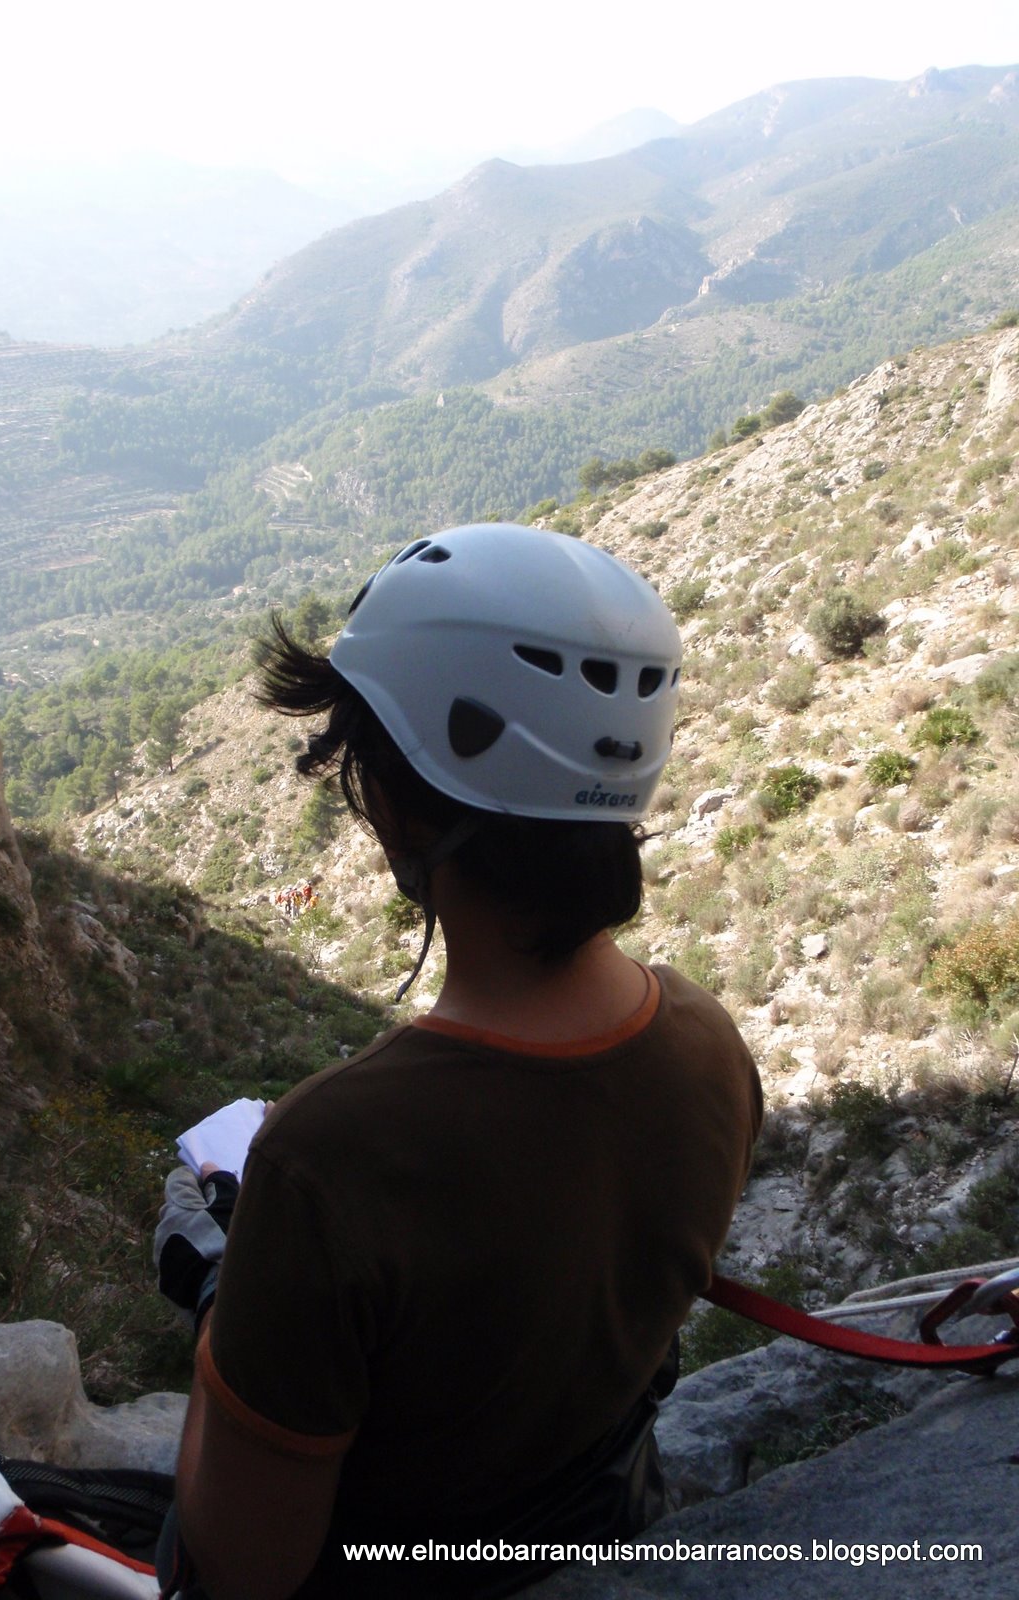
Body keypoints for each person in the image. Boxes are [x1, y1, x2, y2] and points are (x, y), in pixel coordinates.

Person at [156, 524, 763, 1599]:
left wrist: (222, 1292)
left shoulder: (326, 1160)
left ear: (390, 799)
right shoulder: (707, 1040)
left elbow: (243, 1565)